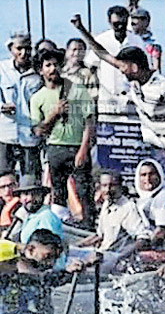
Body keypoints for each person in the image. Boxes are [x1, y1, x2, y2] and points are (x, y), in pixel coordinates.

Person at [72, 15, 165, 164]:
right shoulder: (134, 83)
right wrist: (81, 28)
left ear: (134, 67)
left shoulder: (164, 87)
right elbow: (102, 54)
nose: (120, 71)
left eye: (123, 67)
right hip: (151, 146)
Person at [31, 48, 96, 225]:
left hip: (76, 146)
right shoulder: (38, 97)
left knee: (84, 188)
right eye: (48, 65)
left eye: (56, 65)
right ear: (40, 70)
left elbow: (89, 121)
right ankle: (60, 222)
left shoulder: (76, 89)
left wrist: (83, 149)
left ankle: (88, 223)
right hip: (55, 148)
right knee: (58, 189)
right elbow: (38, 131)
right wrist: (54, 114)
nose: (53, 69)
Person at [75, 170, 153, 271]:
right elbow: (100, 236)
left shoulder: (128, 208)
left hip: (114, 258)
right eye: (104, 186)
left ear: (120, 186)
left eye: (112, 186)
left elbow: (143, 239)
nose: (107, 189)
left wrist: (119, 256)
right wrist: (77, 245)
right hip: (101, 254)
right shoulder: (106, 204)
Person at [0, 31, 42, 179]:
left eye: (27, 49)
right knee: (4, 178)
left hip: (30, 137)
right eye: (19, 49)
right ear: (11, 49)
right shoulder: (2, 69)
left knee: (31, 179)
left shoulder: (38, 73)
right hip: (6, 135)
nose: (24, 53)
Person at [131, 158, 165, 257]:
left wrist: (132, 251)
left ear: (159, 176)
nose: (147, 179)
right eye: (143, 175)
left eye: (152, 174)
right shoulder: (142, 199)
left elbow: (161, 233)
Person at [10, 176, 62, 244]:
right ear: (20, 198)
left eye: (35, 194)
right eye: (25, 194)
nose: (30, 198)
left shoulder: (47, 217)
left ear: (42, 196)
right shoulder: (28, 217)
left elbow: (45, 248)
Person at [129, 7, 161, 73]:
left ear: (146, 22)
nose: (133, 24)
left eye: (138, 19)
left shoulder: (153, 45)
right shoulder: (128, 40)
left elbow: (156, 68)